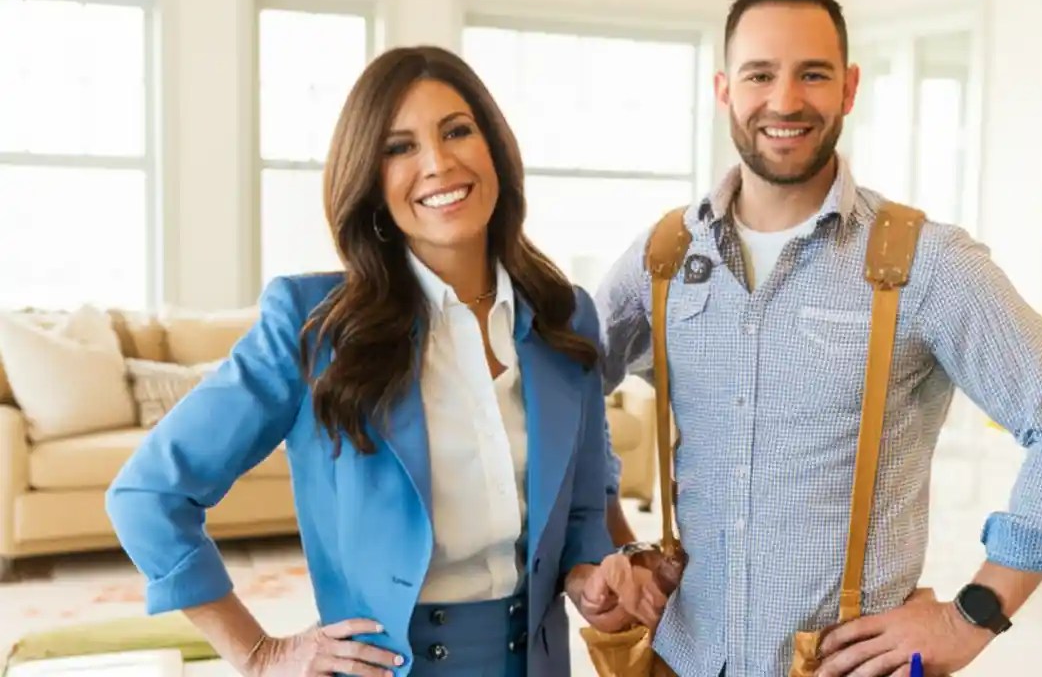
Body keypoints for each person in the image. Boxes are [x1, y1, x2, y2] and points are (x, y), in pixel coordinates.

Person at [596, 0, 1042, 677]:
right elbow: (556, 402)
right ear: (724, 90)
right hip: (683, 659)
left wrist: (974, 616)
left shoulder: (925, 264)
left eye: (813, 74)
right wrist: (615, 544)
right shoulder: (664, 256)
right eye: (759, 75)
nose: (785, 101)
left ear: (849, 87)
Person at [107, 45, 647, 677]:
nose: (438, 163)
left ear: (494, 146)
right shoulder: (312, 326)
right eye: (399, 148)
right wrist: (257, 653)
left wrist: (591, 582)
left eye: (457, 131)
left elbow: (583, 510)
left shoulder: (565, 318)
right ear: (369, 178)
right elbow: (148, 495)